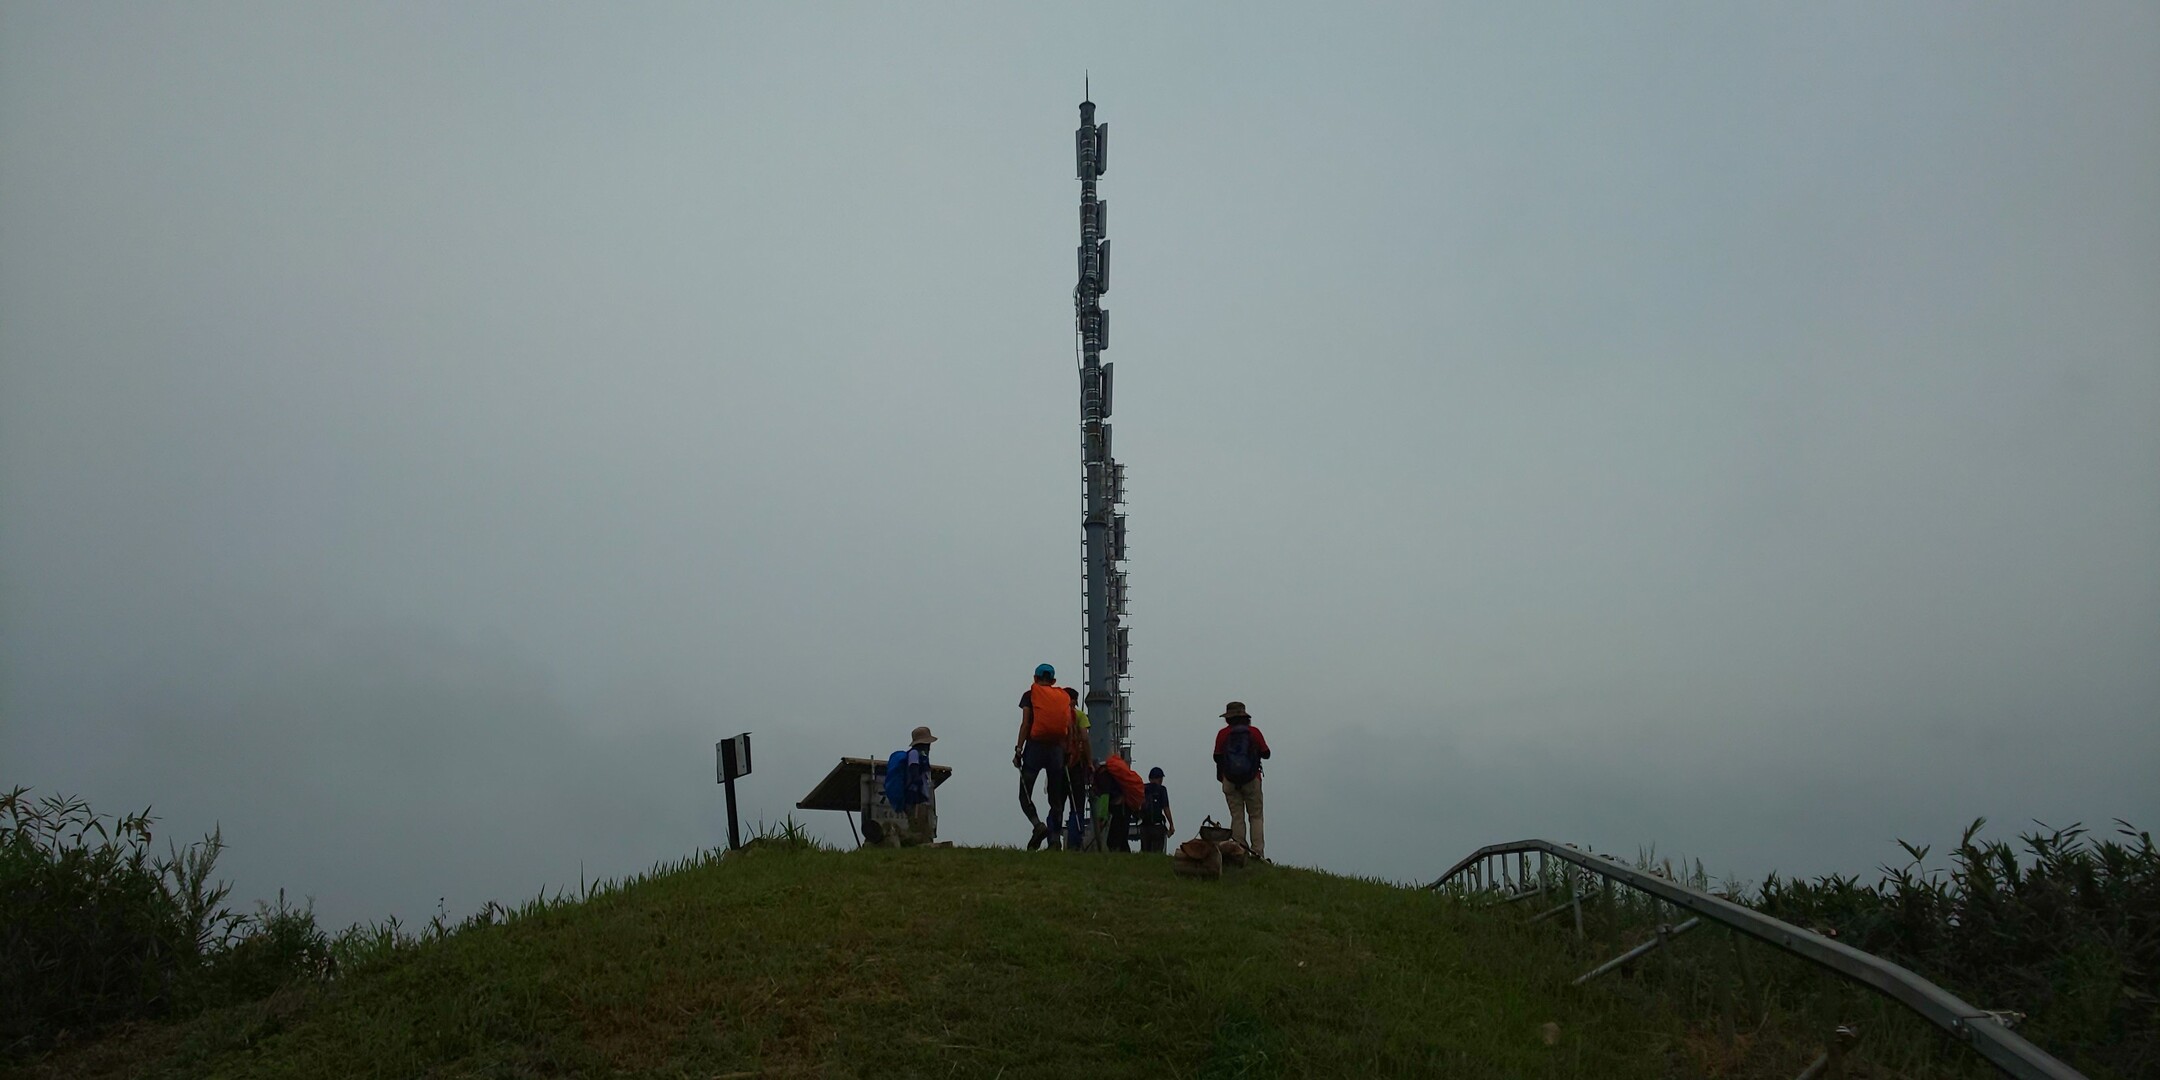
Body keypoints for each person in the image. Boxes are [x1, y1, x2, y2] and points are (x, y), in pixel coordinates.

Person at [1014, 663, 1073, 850]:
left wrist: (1018, 749)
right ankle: (1055, 840)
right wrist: (1068, 751)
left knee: (1025, 794)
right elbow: (1069, 727)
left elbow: (1025, 724)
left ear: (1035, 678)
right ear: (1053, 680)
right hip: (1056, 751)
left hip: (1035, 749)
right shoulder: (1063, 697)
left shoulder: (1029, 695)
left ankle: (1038, 825)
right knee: (1056, 798)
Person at [1212, 701, 1272, 860]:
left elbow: (1216, 757)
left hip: (1230, 780)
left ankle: (1239, 850)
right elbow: (1267, 754)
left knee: (1237, 816)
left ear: (1228, 718)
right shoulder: (1254, 732)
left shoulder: (1222, 734)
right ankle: (1257, 852)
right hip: (1252, 779)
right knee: (1256, 816)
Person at [878, 725, 940, 847]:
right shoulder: (915, 754)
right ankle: (905, 841)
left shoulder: (919, 755)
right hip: (916, 800)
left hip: (918, 799)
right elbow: (914, 772)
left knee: (921, 828)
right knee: (919, 830)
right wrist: (917, 791)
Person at [1097, 753, 1145, 853]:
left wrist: (1102, 818)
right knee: (1122, 840)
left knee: (1113, 841)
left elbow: (1105, 797)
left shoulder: (1103, 777)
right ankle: (1126, 861)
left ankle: (1119, 860)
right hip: (1125, 808)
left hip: (1121, 809)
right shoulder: (1110, 774)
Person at [1139, 767, 1175, 853]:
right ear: (1160, 778)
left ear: (1150, 778)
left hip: (1144, 826)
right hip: (1158, 827)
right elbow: (1166, 808)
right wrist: (1171, 824)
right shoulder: (1162, 789)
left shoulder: (1143, 788)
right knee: (1157, 853)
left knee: (1145, 853)